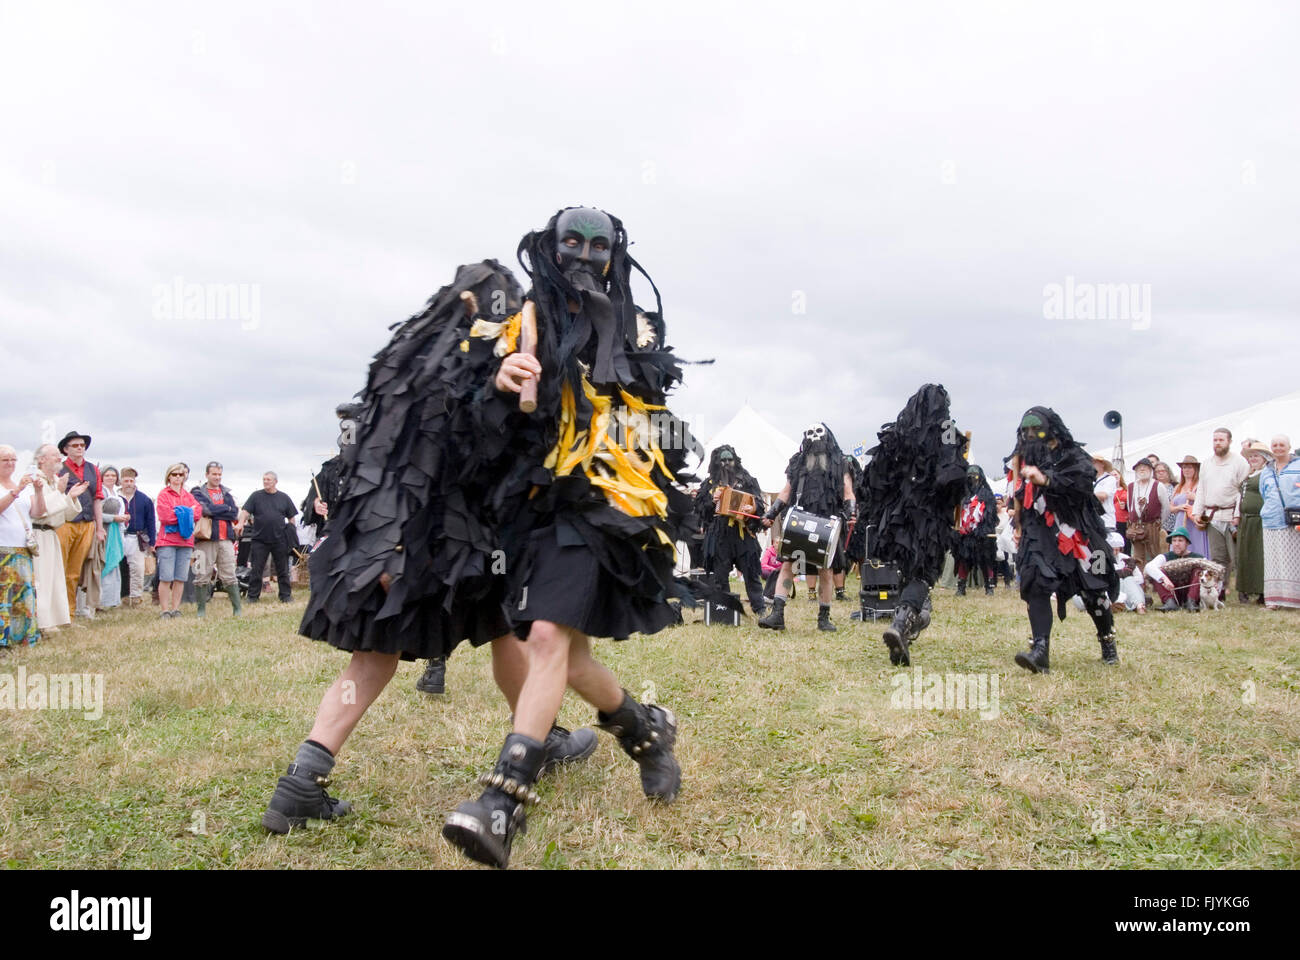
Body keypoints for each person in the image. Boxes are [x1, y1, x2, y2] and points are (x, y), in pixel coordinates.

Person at [859, 384, 968, 666]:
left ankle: (905, 637)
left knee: (910, 574)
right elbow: (951, 476)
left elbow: (874, 474)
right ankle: (902, 622)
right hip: (927, 518)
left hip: (898, 518)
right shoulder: (945, 431)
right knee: (923, 574)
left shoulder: (899, 433)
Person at [1006, 407, 1120, 673]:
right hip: (1039, 533)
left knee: (1093, 590)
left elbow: (1081, 483)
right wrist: (1019, 524)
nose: (1031, 435)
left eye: (1037, 429)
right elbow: (1021, 495)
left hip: (1077, 532)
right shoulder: (1023, 460)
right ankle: (1040, 650)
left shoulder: (1073, 456)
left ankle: (1107, 642)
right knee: (1035, 584)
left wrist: (1046, 479)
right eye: (1026, 431)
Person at [758, 423, 855, 632]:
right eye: (810, 433)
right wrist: (771, 514)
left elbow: (848, 492)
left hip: (828, 522)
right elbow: (786, 492)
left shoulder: (839, 462)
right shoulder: (798, 462)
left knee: (826, 570)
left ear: (827, 436)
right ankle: (777, 614)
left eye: (818, 433)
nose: (814, 437)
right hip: (799, 521)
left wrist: (849, 513)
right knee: (787, 566)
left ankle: (824, 617)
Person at [695, 445, 767, 616]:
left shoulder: (747, 480)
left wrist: (752, 507)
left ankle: (760, 608)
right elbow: (700, 510)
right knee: (720, 576)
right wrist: (712, 501)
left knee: (751, 572)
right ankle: (725, 610)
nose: (726, 463)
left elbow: (759, 504)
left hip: (743, 533)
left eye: (729, 459)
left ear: (735, 460)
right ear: (716, 462)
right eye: (723, 460)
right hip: (719, 536)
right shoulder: (708, 484)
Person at [29, 444, 86, 633]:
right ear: (41, 459)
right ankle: (41, 622)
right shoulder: (34, 479)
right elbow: (39, 512)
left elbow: (66, 515)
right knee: (41, 579)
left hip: (51, 534)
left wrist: (71, 497)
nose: (59, 458)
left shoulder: (54, 480)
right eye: (54, 455)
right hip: (37, 534)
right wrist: (60, 493)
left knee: (53, 579)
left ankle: (53, 619)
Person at [1192, 428, 1250, 594]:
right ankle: (1220, 589)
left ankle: (1242, 591)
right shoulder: (1206, 463)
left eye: (1221, 440)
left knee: (1237, 557)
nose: (1217, 443)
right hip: (1212, 516)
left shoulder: (1240, 463)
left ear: (1229, 441)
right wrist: (1197, 512)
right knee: (1217, 557)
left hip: (1232, 515)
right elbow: (1201, 489)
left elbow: (1242, 491)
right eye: (1215, 440)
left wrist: (1237, 515)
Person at [54, 430, 103, 624]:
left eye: (82, 445)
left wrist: (99, 528)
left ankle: (69, 614)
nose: (80, 448)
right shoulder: (59, 469)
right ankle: (57, 614)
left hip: (86, 523)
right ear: (66, 449)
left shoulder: (93, 469)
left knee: (75, 571)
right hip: (65, 523)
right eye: (75, 445)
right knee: (61, 568)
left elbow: (98, 499)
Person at [0, 445, 44, 649]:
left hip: (22, 549)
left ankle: (24, 636)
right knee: (3, 596)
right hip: (3, 548)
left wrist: (38, 490)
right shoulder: (14, 488)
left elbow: (37, 512)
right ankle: (3, 638)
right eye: (5, 460)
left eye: (13, 459)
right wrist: (16, 491)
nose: (10, 463)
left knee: (24, 594)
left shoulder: (24, 488)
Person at [191, 461, 243, 618]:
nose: (217, 477)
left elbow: (234, 513)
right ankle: (201, 609)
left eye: (219, 474)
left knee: (229, 574)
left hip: (225, 538)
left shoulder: (226, 493)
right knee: (201, 575)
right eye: (214, 474)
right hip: (205, 539)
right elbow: (204, 509)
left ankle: (237, 609)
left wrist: (217, 511)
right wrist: (223, 509)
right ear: (207, 475)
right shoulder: (198, 492)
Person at [238, 472, 298, 603]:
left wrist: (291, 532)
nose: (265, 482)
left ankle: (285, 595)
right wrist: (240, 523)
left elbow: (292, 517)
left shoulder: (284, 497)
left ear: (275, 481)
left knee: (283, 569)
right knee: (256, 569)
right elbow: (245, 511)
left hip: (279, 539)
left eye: (268, 479)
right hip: (260, 539)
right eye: (264, 479)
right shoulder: (256, 496)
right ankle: (253, 597)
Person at [1259, 434, 1300, 610]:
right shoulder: (1266, 470)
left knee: (1295, 560)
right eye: (1274, 445)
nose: (1278, 448)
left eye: (1281, 444)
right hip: (1271, 520)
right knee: (1273, 561)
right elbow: (1264, 492)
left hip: (1293, 520)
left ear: (1289, 446)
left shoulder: (1298, 466)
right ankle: (1274, 601)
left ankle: (1295, 599)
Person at [155, 463, 202, 619]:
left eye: (180, 475)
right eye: (174, 474)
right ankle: (164, 610)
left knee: (180, 577)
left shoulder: (188, 495)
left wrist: (180, 512)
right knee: (166, 577)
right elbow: (165, 516)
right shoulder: (163, 494)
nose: (177, 477)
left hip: (185, 541)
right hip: (167, 541)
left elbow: (198, 513)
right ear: (169, 476)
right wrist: (186, 513)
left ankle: (175, 609)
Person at [1126, 457, 1170, 597]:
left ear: (1151, 470)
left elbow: (1166, 508)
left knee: (1156, 555)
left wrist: (1157, 523)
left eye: (1144, 468)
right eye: (1139, 469)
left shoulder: (1158, 486)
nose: (1142, 470)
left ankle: (1159, 585)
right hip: (1136, 527)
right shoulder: (1132, 486)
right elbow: (1129, 505)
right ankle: (1141, 585)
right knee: (1138, 557)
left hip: (1152, 525)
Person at [953, 464, 999, 596]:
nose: (972, 480)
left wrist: (981, 529)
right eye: (970, 477)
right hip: (965, 535)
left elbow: (990, 516)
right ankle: (961, 587)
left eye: (975, 477)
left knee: (986, 559)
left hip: (982, 535)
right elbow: (958, 514)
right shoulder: (963, 496)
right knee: (963, 559)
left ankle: (989, 587)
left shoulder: (987, 495)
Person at [1235, 442, 1269, 604]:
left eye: (1257, 456)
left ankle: (1261, 591)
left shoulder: (1267, 473)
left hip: (1259, 519)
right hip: (1245, 519)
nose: (1253, 459)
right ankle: (1244, 589)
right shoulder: (1248, 475)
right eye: (1251, 456)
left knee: (1259, 555)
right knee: (1244, 555)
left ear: (1264, 458)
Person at [1145, 527, 1207, 612]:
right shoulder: (1165, 557)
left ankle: (1191, 602)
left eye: (1180, 541)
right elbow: (1149, 567)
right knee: (1158, 572)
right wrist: (1164, 578)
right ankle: (1170, 603)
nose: (1177, 544)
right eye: (1174, 541)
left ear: (1187, 543)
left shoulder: (1199, 558)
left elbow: (1214, 572)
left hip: (1192, 592)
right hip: (1172, 592)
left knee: (1198, 570)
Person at [120, 468, 155, 607]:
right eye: (126, 480)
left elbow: (151, 520)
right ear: (121, 481)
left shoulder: (144, 499)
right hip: (120, 536)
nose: (129, 483)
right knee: (121, 568)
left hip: (136, 537)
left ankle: (136, 597)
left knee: (138, 568)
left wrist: (152, 541)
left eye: (131, 481)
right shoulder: (116, 498)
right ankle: (122, 596)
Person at [97, 466, 127, 612]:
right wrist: (114, 518)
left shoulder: (116, 493)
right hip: (104, 531)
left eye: (113, 475)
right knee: (104, 565)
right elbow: (96, 514)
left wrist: (123, 518)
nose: (110, 478)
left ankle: (112, 599)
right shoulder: (101, 492)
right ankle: (101, 600)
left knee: (114, 566)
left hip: (116, 532)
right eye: (107, 475)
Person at [1169, 455, 1209, 557]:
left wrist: (1195, 497)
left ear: (1195, 469)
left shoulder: (1201, 484)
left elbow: (1208, 502)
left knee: (1195, 546)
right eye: (1184, 467)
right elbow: (1171, 508)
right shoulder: (1178, 487)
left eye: (1190, 467)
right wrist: (1179, 507)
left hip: (1194, 521)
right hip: (1180, 521)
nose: (1186, 470)